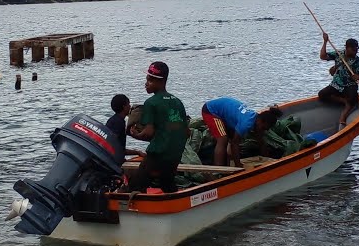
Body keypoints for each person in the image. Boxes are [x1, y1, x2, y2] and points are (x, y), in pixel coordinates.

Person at [126, 61, 188, 192]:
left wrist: (134, 134)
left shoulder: (151, 103)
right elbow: (186, 132)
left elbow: (148, 133)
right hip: (175, 154)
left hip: (158, 154)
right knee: (167, 184)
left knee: (136, 185)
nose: (146, 83)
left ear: (161, 81)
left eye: (150, 80)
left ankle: (135, 209)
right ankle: (174, 206)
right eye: (147, 79)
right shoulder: (177, 102)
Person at [200, 97, 284, 167]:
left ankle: (228, 163)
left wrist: (266, 159)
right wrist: (238, 165)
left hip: (225, 113)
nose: (263, 130)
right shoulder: (246, 124)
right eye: (263, 128)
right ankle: (219, 169)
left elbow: (260, 140)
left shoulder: (256, 120)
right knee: (223, 139)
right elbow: (234, 143)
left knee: (230, 137)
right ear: (260, 121)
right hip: (210, 111)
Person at [319, 33, 359, 129]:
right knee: (322, 94)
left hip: (349, 85)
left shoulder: (357, 61)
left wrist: (357, 77)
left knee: (353, 99)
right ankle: (344, 101)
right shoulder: (338, 54)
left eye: (356, 49)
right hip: (336, 84)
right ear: (347, 48)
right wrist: (325, 42)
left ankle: (344, 114)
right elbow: (323, 56)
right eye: (353, 49)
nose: (356, 51)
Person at [106, 93, 131, 164]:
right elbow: (113, 144)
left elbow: (120, 149)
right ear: (124, 107)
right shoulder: (118, 122)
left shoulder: (114, 120)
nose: (130, 106)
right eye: (128, 104)